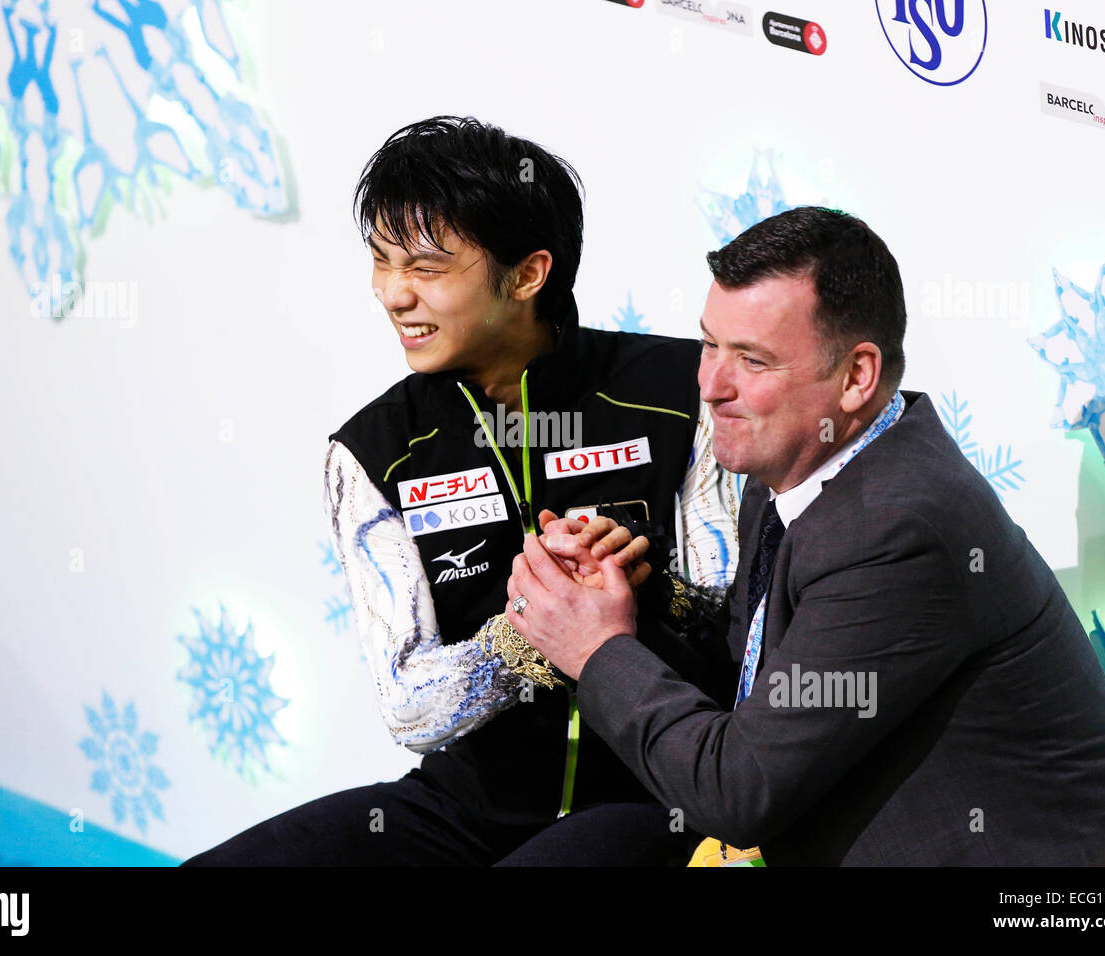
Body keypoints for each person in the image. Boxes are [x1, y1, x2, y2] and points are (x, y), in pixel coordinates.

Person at [505, 206, 1105, 865]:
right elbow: (753, 691)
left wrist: (593, 647)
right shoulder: (795, 477)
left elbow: (737, 791)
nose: (711, 385)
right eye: (710, 344)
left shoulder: (901, 527)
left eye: (753, 361)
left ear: (857, 377)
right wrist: (629, 595)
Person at [184, 116, 738, 866]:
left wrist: (634, 585)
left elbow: (741, 624)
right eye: (381, 263)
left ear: (527, 274)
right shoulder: (374, 450)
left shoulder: (681, 393)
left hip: (653, 803)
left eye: (425, 268)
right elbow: (409, 704)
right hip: (460, 811)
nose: (391, 295)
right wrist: (527, 635)